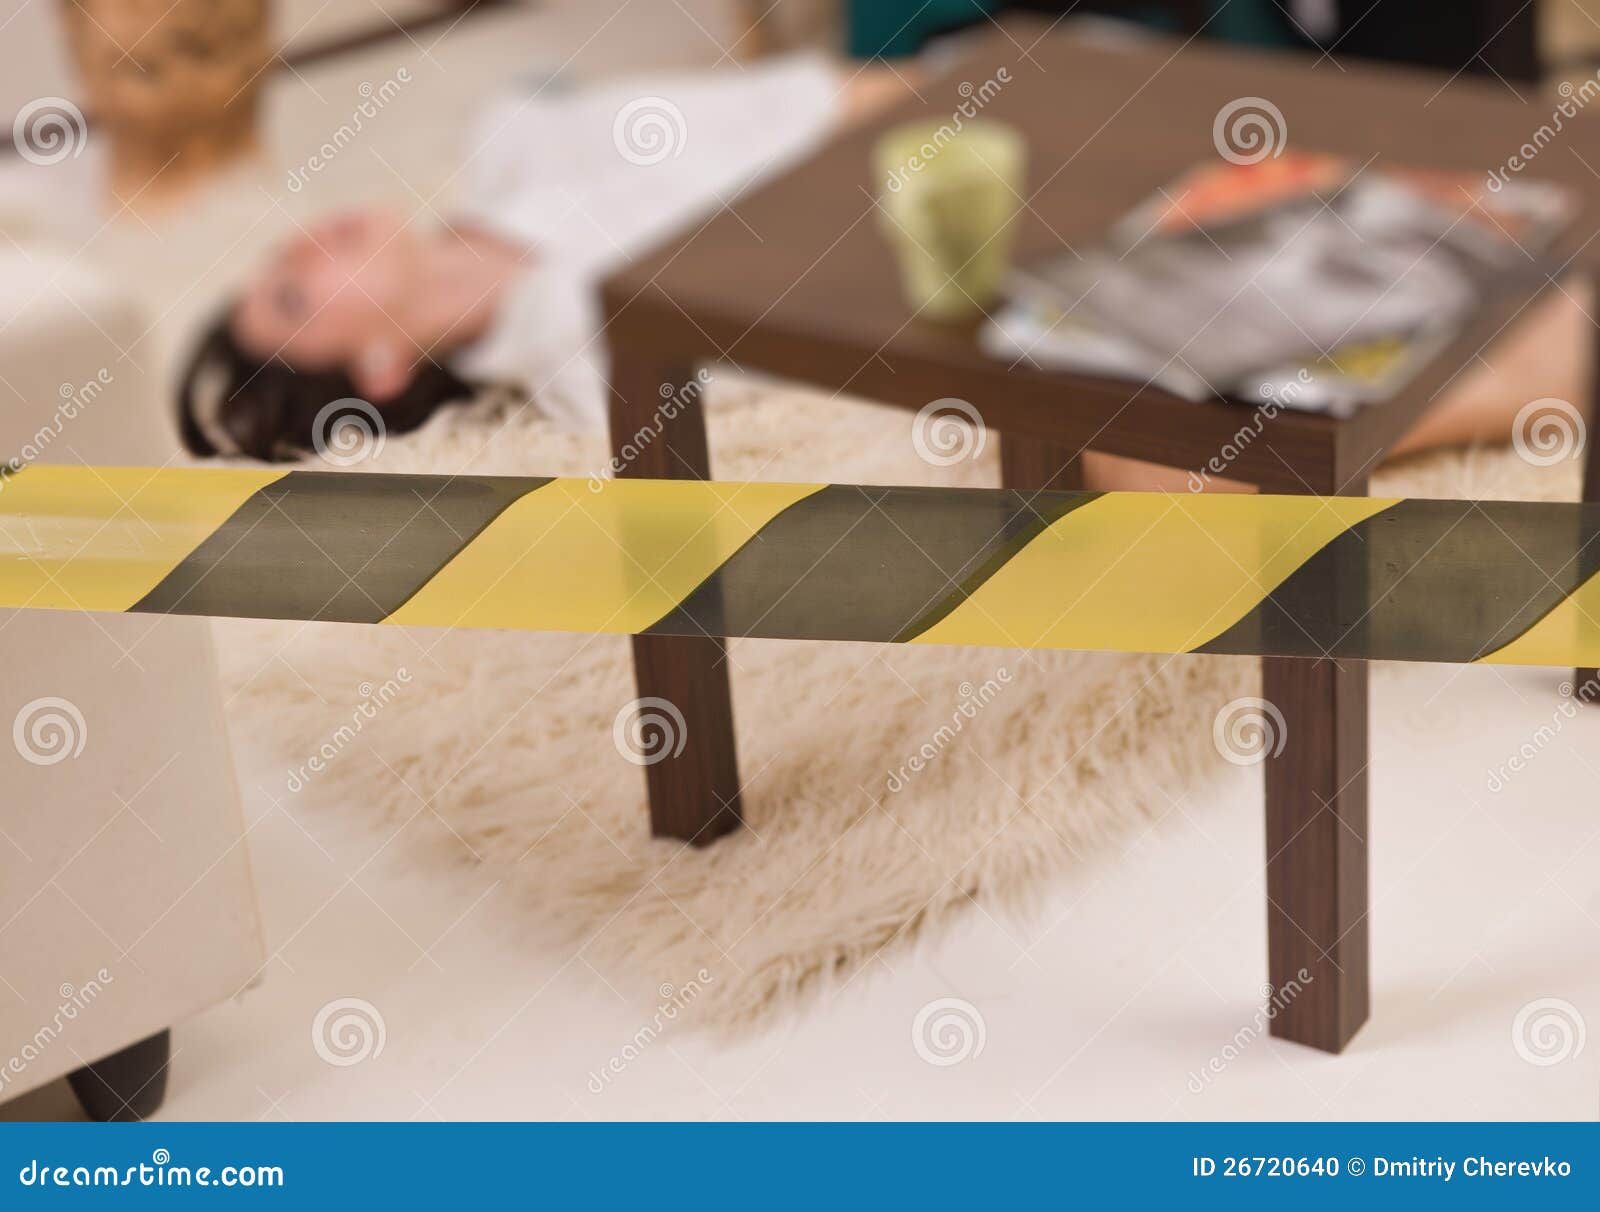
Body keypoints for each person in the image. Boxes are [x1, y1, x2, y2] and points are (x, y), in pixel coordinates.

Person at [178, 55, 910, 459]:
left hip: (952, 71)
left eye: (279, 252)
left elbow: (813, 95)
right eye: (294, 295)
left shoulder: (514, 133)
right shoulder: (593, 367)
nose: (303, 244)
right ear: (379, 368)